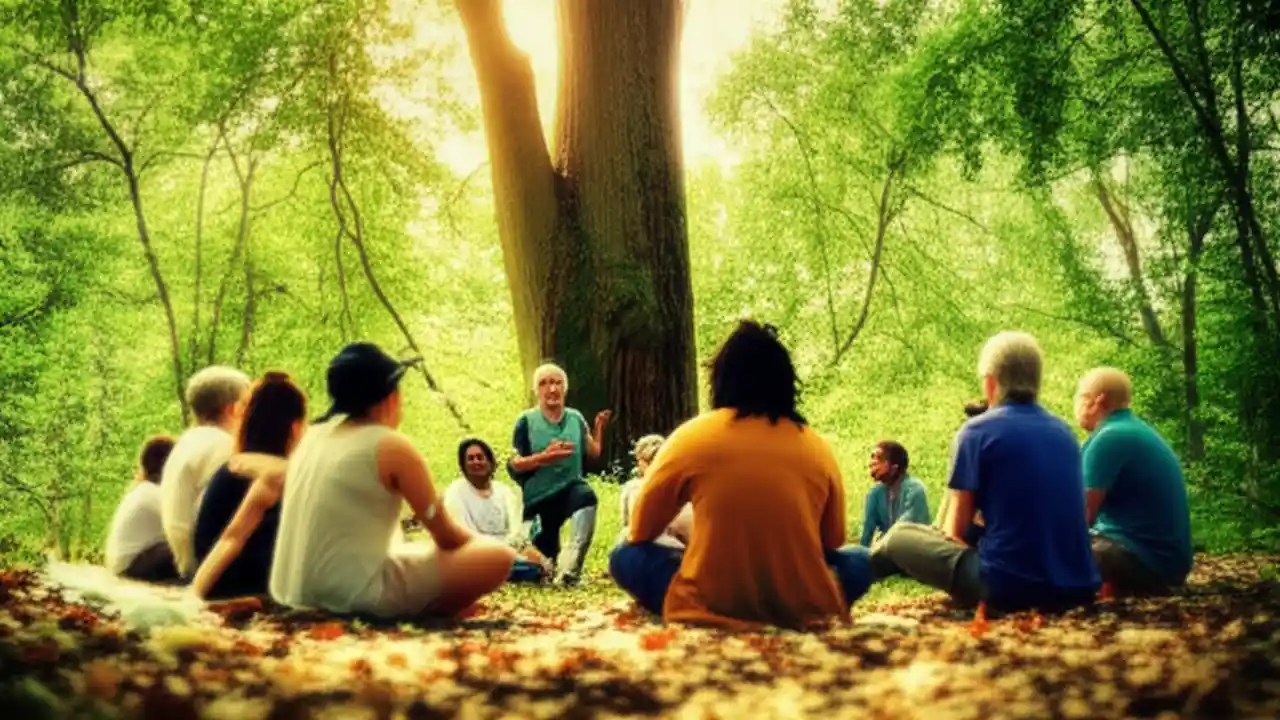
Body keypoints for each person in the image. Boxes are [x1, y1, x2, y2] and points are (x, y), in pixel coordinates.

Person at [609, 320, 870, 630]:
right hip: (801, 602)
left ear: (719, 380)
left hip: (710, 599)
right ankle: (799, 604)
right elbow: (832, 540)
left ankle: (703, 600)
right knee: (860, 560)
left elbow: (640, 530)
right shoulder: (816, 446)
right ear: (785, 382)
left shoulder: (691, 437)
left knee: (624, 553)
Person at [270, 343, 514, 618]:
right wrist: (477, 546)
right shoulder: (388, 445)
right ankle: (429, 612)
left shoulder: (311, 437)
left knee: (411, 550)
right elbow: (447, 537)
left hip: (293, 590)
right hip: (354, 594)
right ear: (389, 398)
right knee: (498, 556)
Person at [870, 331, 1099, 611]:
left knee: (899, 536)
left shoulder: (976, 432)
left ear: (990, 383)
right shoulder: (1065, 434)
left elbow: (953, 534)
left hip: (1010, 588)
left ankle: (844, 575)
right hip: (1079, 588)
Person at [1074, 367, 1192, 595]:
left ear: (1098, 400)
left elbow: (1081, 517)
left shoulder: (1110, 438)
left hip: (1146, 562)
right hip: (1168, 563)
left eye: (1080, 396)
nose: (1076, 404)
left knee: (1050, 550)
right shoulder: (1130, 430)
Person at [190, 372, 307, 600]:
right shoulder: (276, 474)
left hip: (211, 573)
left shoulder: (232, 467)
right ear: (295, 428)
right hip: (238, 583)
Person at [506, 363, 611, 586]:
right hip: (539, 498)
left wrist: (599, 427)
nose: (551, 389)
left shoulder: (575, 418)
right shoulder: (525, 421)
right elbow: (514, 464)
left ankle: (570, 573)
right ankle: (548, 562)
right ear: (537, 391)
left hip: (570, 488)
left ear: (564, 388)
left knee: (587, 496)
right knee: (542, 566)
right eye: (544, 383)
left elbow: (593, 453)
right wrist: (545, 457)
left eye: (556, 382)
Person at [161, 366, 252, 579]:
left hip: (186, 563)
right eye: (249, 404)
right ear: (233, 409)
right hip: (210, 568)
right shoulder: (224, 447)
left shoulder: (186, 442)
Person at [443, 438, 548, 582]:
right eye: (470, 459)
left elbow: (515, 532)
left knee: (534, 565)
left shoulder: (504, 492)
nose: (476, 462)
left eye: (480, 458)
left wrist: (519, 551)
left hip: (506, 551)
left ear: (490, 463)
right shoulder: (455, 492)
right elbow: (462, 534)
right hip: (474, 554)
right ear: (463, 466)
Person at [104, 435, 179, 582]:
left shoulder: (143, 491)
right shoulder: (156, 494)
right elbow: (188, 527)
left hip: (126, 564)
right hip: (133, 567)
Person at [618, 434, 692, 548]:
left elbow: (628, 522)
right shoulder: (682, 486)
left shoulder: (634, 487)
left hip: (645, 545)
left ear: (641, 461)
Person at [859, 441, 930, 547]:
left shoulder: (915, 489)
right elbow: (867, 532)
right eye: (872, 457)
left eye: (879, 459)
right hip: (887, 551)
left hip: (915, 551)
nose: (872, 463)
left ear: (894, 467)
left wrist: (880, 546)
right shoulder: (875, 494)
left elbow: (905, 529)